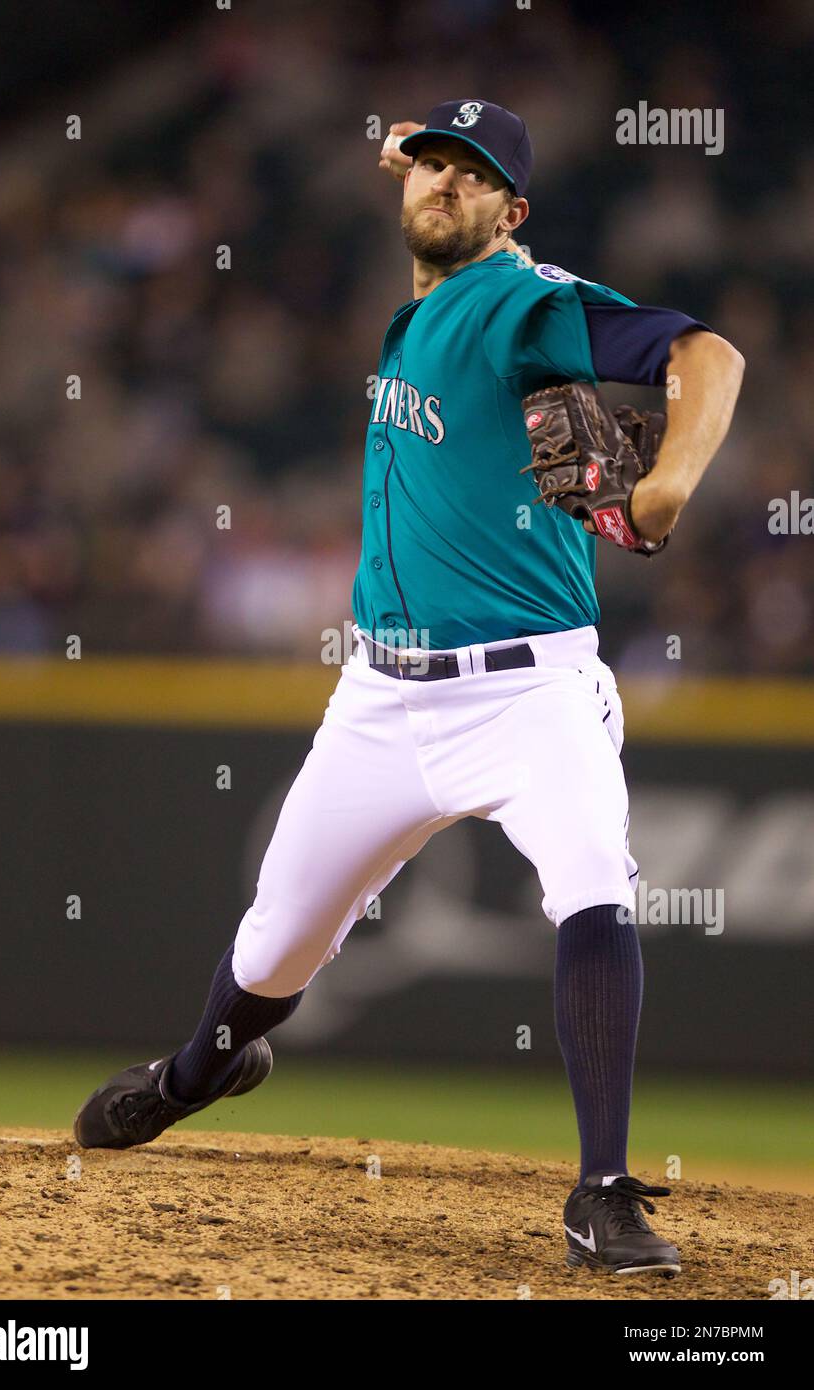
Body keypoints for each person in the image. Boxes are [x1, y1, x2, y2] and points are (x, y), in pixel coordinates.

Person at [75, 100, 744, 1278]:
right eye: (430, 167)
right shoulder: (419, 310)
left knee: (591, 877)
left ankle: (603, 1190)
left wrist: (666, 484)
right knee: (277, 946)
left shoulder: (521, 300)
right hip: (378, 701)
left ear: (514, 211)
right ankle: (195, 1073)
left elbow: (708, 356)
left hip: (530, 692)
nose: (442, 182)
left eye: (473, 174)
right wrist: (414, 147)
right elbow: (425, 166)